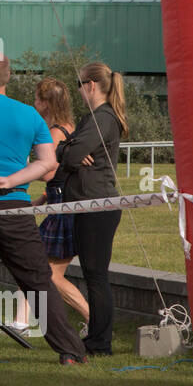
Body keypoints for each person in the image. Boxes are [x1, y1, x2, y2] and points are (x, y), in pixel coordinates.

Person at [0, 52, 89, 373]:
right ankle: (70, 351)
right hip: (14, 206)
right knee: (37, 280)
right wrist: (11, 179)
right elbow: (48, 164)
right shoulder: (30, 116)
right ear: (8, 78)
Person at [55, 63, 127, 356]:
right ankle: (98, 338)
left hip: (98, 207)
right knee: (92, 273)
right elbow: (65, 151)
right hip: (88, 205)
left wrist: (70, 150)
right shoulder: (92, 118)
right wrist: (68, 150)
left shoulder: (104, 118)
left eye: (79, 84)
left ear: (92, 85)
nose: (78, 91)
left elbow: (70, 153)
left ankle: (100, 342)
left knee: (96, 275)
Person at [27, 79, 89, 335]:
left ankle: (92, 318)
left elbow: (48, 172)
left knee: (49, 273)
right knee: (40, 267)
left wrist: (22, 171)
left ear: (46, 103)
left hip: (62, 208)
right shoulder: (67, 127)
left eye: (36, 99)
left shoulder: (55, 132)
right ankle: (28, 320)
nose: (34, 103)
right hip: (60, 203)